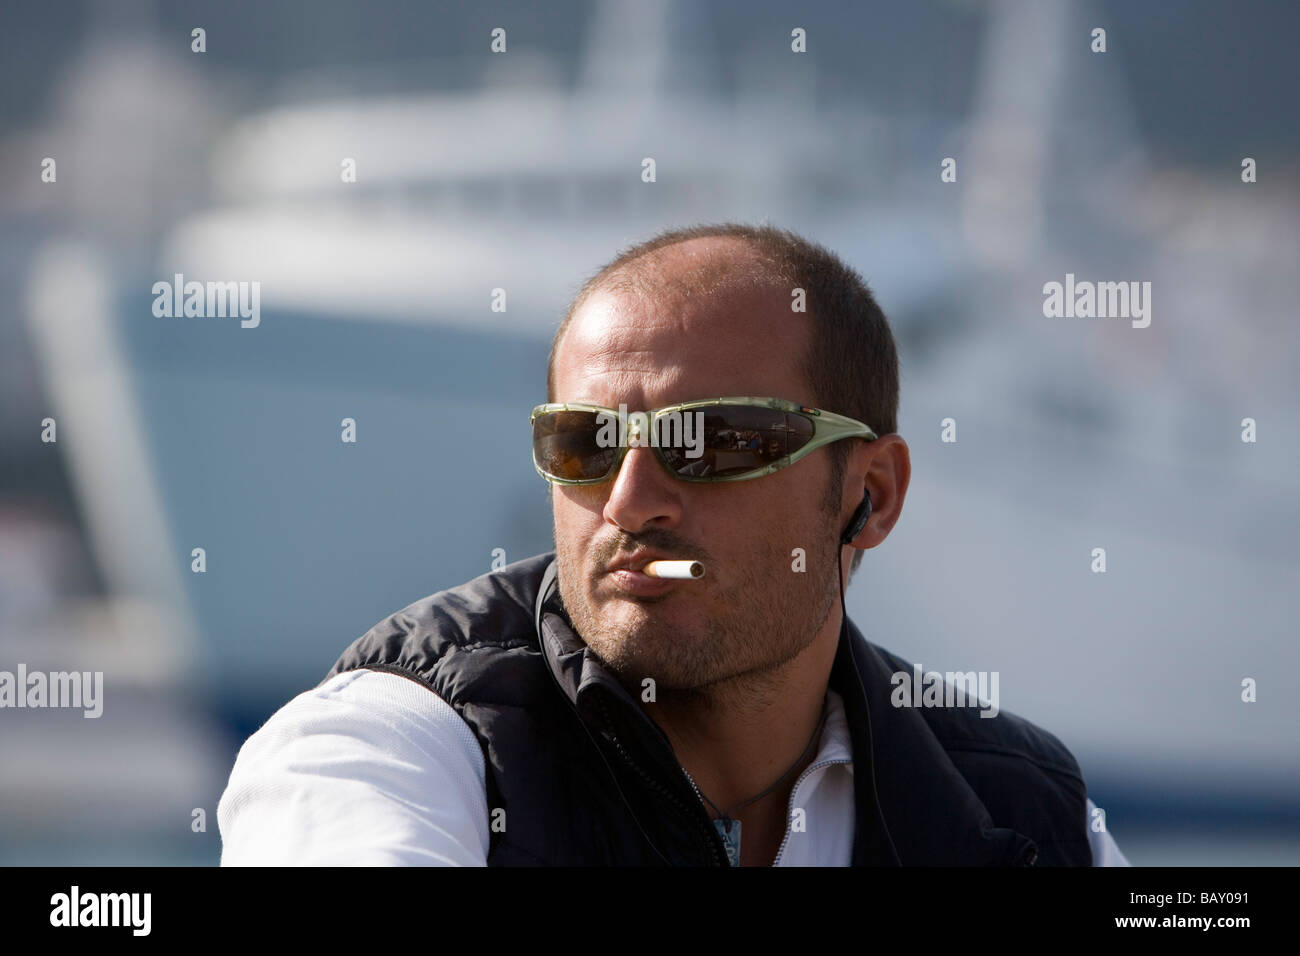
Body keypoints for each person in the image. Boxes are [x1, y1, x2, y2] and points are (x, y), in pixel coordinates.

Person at [217, 222, 1128, 866]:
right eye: (583, 443)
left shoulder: (1030, 817)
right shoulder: (393, 749)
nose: (630, 503)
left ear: (871, 495)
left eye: (714, 442)